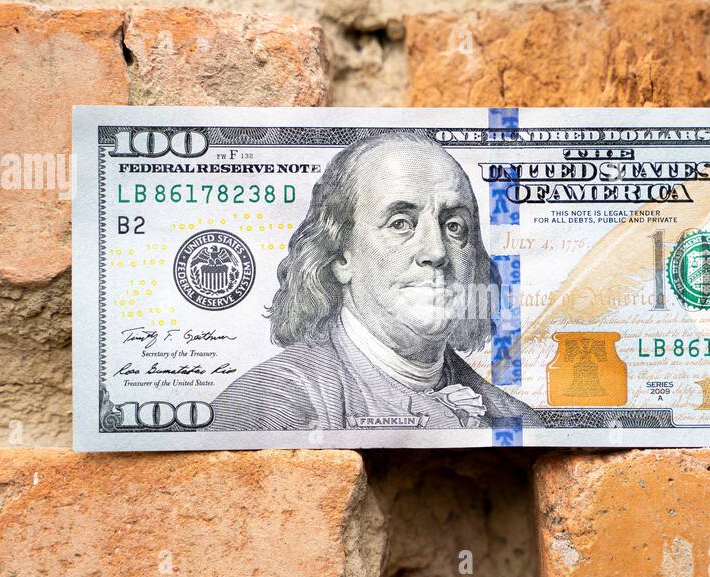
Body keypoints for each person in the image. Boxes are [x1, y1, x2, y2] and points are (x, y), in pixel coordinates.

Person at [209, 132, 539, 432]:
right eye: (400, 224)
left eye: (454, 226)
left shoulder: (514, 419)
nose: (436, 251)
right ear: (341, 257)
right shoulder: (269, 405)